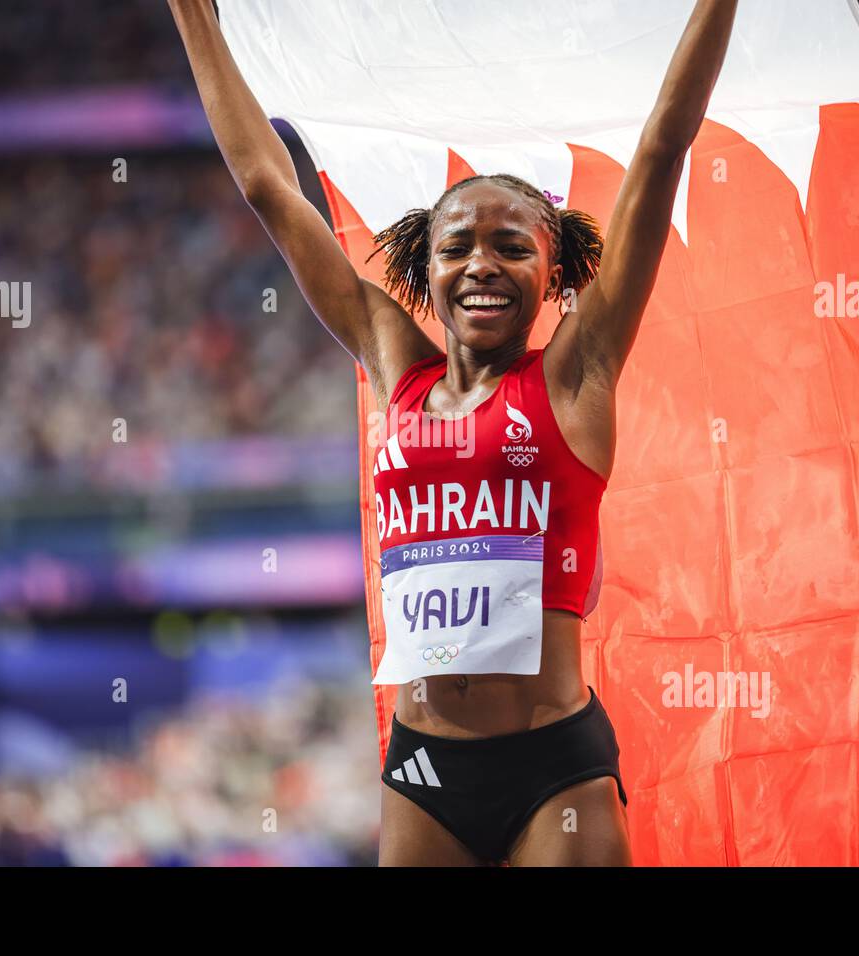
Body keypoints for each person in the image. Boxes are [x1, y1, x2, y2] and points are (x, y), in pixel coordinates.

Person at [168, 0, 738, 866]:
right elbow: (266, 184)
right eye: (457, 246)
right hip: (424, 769)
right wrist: (193, 16)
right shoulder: (397, 369)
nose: (481, 263)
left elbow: (662, 146)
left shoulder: (573, 377)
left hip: (554, 766)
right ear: (424, 270)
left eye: (512, 246)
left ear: (553, 274)